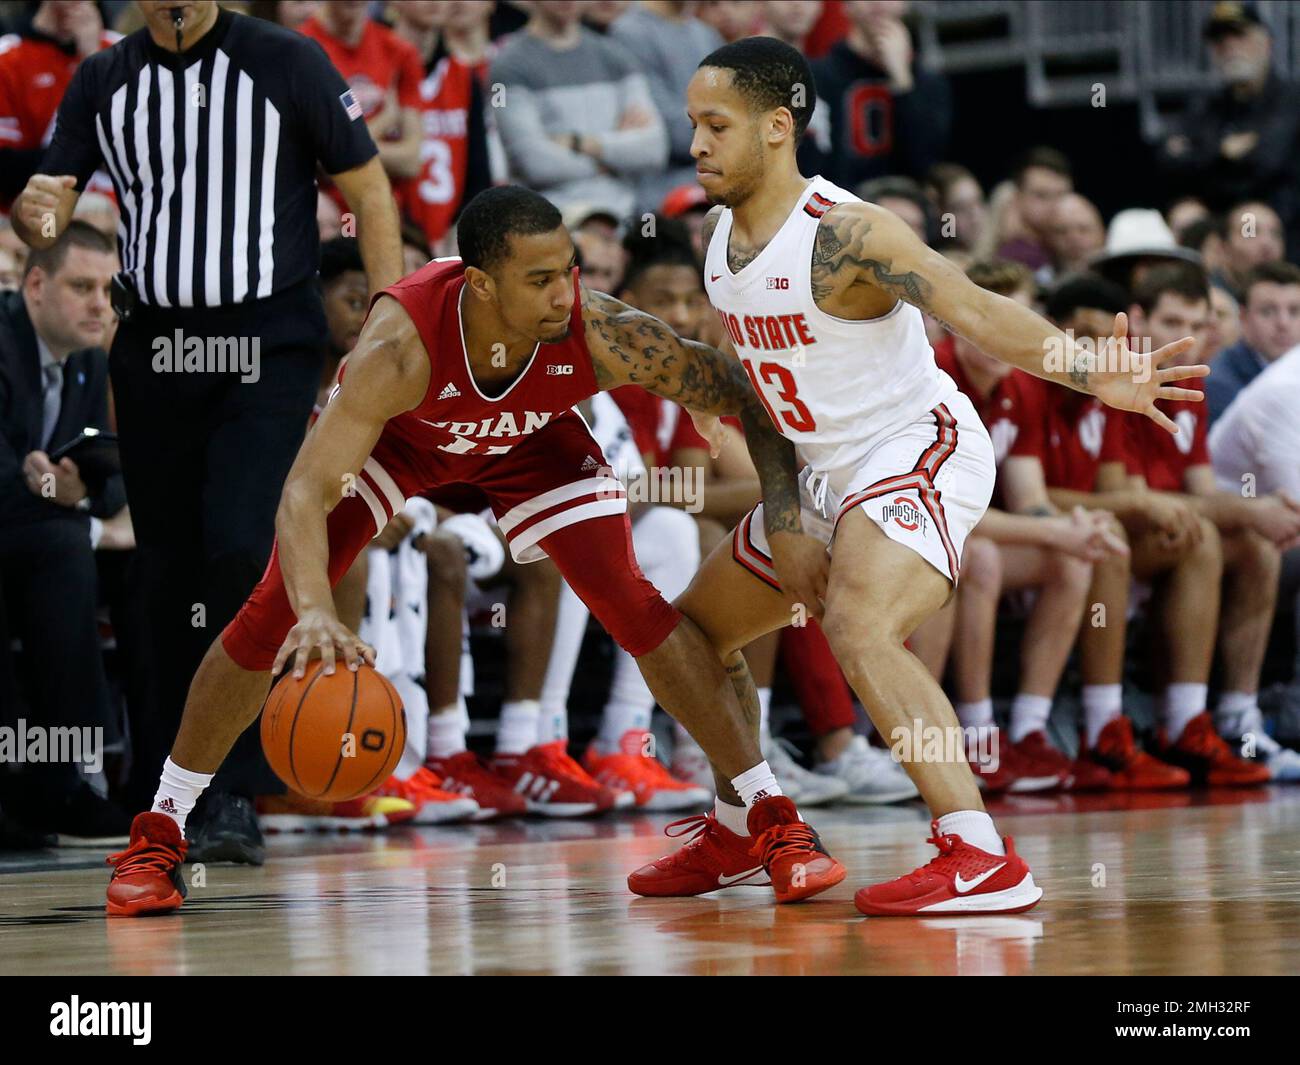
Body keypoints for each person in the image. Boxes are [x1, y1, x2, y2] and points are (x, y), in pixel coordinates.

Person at [104, 184, 849, 916]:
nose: (565, 294)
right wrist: (312, 612)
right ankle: (160, 829)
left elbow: (747, 393)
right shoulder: (399, 347)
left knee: (633, 602)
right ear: (481, 284)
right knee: (269, 615)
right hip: (401, 443)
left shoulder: (601, 330)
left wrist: (785, 512)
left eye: (570, 272)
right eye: (540, 279)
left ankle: (771, 819)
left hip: (531, 441)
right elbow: (301, 494)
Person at [636, 37, 1210, 916]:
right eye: (693, 126)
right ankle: (741, 815)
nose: (697, 144)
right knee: (684, 639)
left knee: (858, 624)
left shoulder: (847, 232)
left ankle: (979, 854)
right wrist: (785, 518)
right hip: (823, 473)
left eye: (716, 125)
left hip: (916, 445)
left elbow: (975, 309)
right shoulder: (718, 245)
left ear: (778, 128)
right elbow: (761, 396)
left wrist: (1095, 370)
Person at [10, 0, 405, 863]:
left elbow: (369, 191)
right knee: (166, 572)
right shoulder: (102, 78)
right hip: (154, 344)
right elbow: (46, 217)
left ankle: (232, 791)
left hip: (267, 336)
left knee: (236, 543)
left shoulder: (287, 60)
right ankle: (169, 792)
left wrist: (388, 322)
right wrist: (32, 212)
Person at [1123, 263, 1300, 780]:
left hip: (1168, 534)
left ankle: (1234, 717)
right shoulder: (1121, 383)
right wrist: (1254, 510)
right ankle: (1179, 723)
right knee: (1207, 537)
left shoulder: (1188, 389)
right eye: (1172, 321)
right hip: (1114, 537)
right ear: (1136, 320)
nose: (1186, 338)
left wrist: (1255, 517)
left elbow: (1199, 493)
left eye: (1198, 326)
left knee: (1253, 545)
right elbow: (1136, 500)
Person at [0, 221, 129, 841]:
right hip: (21, 533)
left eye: (106, 290)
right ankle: (49, 782)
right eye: (82, 287)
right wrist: (66, 503)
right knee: (62, 548)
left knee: (146, 569)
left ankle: (85, 778)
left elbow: (108, 469)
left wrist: (76, 492)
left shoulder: (85, 363)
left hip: (35, 535)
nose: (99, 305)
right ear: (33, 285)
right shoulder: (2, 341)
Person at [490, 0, 667, 220]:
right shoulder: (509, 65)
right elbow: (535, 163)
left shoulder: (616, 56)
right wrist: (614, 158)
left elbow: (654, 149)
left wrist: (580, 143)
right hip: (552, 217)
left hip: (625, 212)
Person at [1157, 2, 1300, 262]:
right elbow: (1170, 164)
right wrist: (1223, 153)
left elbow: (1266, 163)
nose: (1230, 47)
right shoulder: (1204, 107)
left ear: (1267, 43)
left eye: (1239, 35)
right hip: (1221, 246)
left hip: (1287, 242)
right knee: (1184, 213)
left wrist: (1205, 160)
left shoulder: (1292, 101)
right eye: (1220, 40)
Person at [803, 0, 950, 189]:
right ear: (846, 6)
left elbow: (926, 164)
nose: (878, 3)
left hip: (905, 208)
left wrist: (902, 79)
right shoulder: (817, 78)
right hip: (838, 207)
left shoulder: (928, 82)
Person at [390, 0, 497, 249]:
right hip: (390, 231)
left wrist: (459, 232)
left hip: (450, 237)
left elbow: (478, 175)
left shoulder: (463, 75)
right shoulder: (376, 71)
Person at [0, 0, 119, 211]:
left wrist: (92, 58)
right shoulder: (8, 57)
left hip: (119, 222)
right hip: (32, 220)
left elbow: (143, 150)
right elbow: (6, 170)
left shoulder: (126, 51)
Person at [608, 1, 723, 210]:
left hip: (713, 175)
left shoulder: (706, 34)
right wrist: (723, 128)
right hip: (658, 189)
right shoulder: (630, 33)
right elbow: (675, 135)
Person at [299, 0, 425, 182]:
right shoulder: (301, 51)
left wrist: (343, 150)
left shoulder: (399, 50)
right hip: (325, 204)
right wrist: (386, 119)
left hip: (386, 203)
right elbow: (319, 159)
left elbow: (412, 161)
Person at [1204, 261, 1300, 420]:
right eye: (1267, 311)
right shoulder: (1219, 385)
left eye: (1294, 311)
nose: (1283, 323)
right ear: (1244, 318)